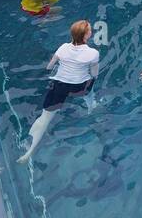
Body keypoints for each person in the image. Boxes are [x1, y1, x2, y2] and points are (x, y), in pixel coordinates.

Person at [18, 20, 99, 163]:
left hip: (59, 86)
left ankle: (29, 151)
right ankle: (91, 106)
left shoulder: (62, 48)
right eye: (90, 30)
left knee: (45, 118)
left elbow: (50, 67)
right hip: (78, 88)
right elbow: (94, 74)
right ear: (87, 35)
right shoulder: (93, 53)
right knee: (91, 86)